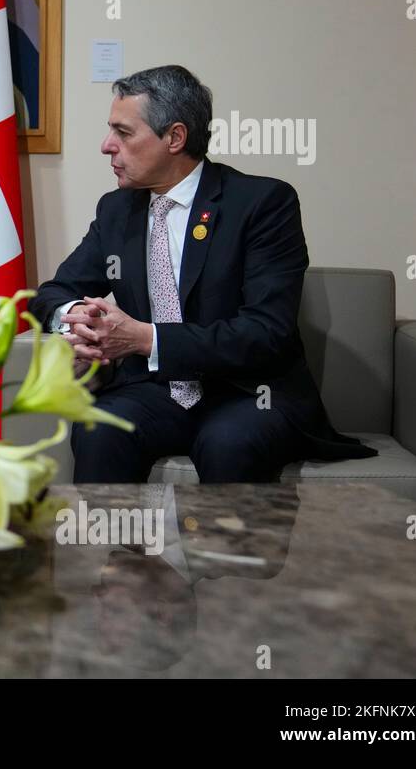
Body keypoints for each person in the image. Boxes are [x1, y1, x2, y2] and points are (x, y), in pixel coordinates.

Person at [29, 64, 373, 483]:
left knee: (228, 443)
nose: (106, 146)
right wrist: (75, 314)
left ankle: (227, 533)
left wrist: (144, 338)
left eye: (123, 132)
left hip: (246, 393)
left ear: (175, 138)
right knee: (98, 429)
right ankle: (117, 531)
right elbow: (53, 292)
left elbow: (267, 332)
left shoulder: (262, 203)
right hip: (155, 390)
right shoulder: (117, 210)